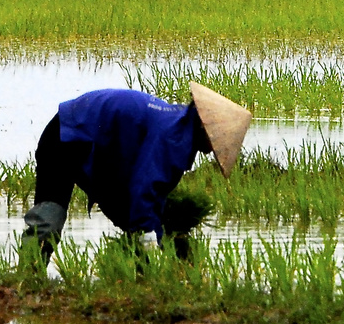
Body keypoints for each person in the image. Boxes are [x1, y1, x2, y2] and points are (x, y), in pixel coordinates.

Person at [22, 82, 252, 263]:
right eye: (216, 142)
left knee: (129, 213)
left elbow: (147, 191)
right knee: (51, 210)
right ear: (206, 129)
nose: (212, 149)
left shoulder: (178, 124)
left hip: (89, 135)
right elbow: (145, 188)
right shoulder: (173, 137)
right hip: (68, 134)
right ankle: (29, 275)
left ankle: (137, 268)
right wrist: (148, 238)